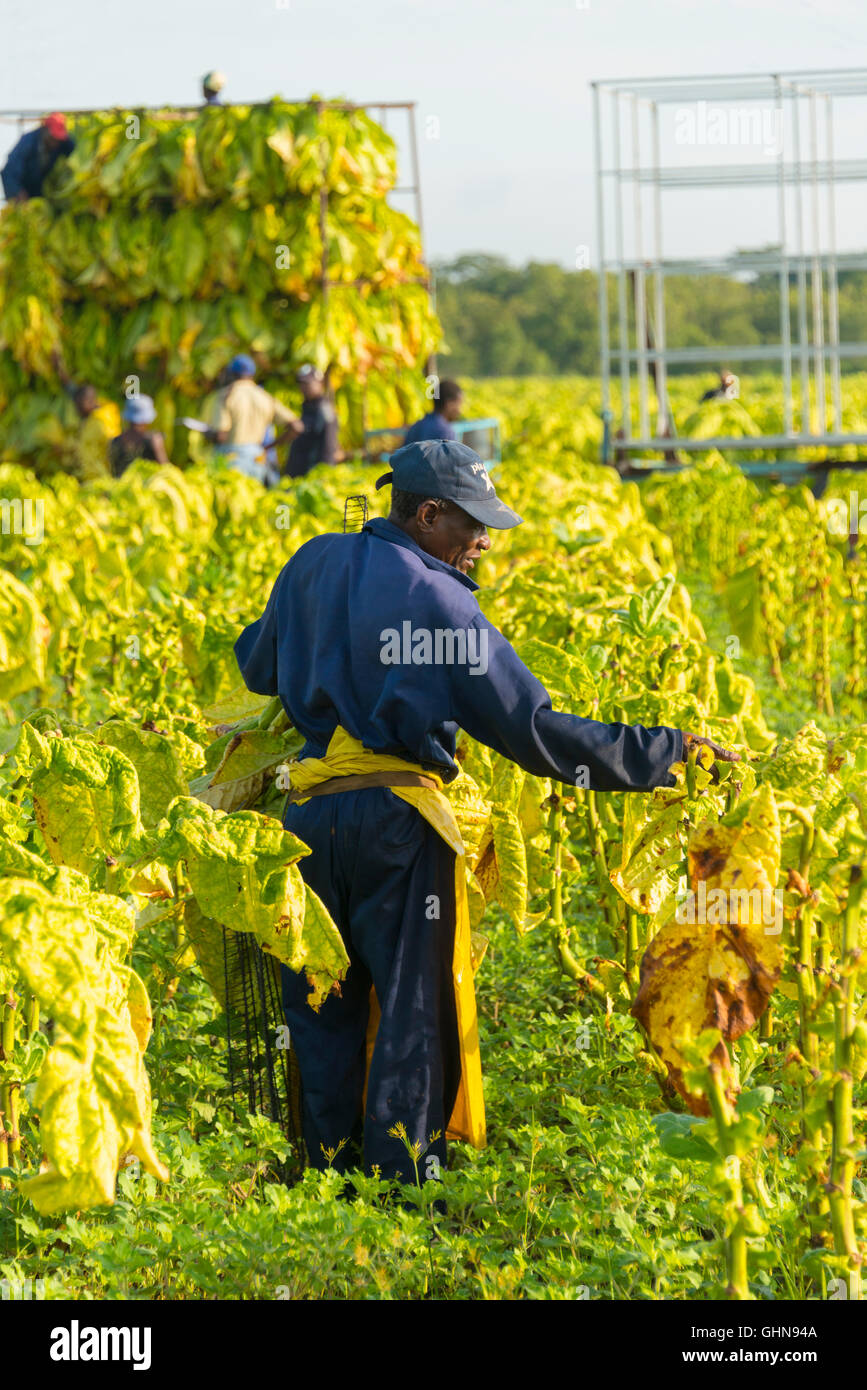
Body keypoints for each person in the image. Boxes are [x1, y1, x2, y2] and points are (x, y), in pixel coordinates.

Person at [234, 438, 738, 1187]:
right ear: (428, 513)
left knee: (320, 1006)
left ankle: (323, 1182)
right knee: (411, 1013)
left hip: (304, 825)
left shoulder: (311, 562)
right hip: (399, 827)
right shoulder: (439, 605)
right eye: (472, 524)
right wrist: (668, 755)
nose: (483, 542)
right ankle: (402, 1191)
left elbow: (256, 663)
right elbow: (535, 733)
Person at [206, 354, 302, 484]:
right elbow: (296, 426)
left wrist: (208, 434)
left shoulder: (226, 395)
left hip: (232, 457)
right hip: (257, 457)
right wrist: (268, 447)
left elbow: (221, 435)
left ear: (232, 374)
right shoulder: (264, 396)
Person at [1, 113, 75, 202]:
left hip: (40, 191)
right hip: (24, 190)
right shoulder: (27, 142)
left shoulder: (61, 142)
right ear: (44, 129)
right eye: (53, 138)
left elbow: (77, 153)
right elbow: (8, 172)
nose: (56, 143)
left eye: (58, 139)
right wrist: (17, 191)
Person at [285, 364, 340, 479]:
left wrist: (324, 475)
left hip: (313, 476)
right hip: (299, 476)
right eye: (301, 384)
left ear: (320, 383)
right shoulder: (308, 407)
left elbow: (329, 445)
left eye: (307, 383)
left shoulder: (324, 410)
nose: (303, 387)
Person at [108, 396, 169, 478]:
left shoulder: (115, 442)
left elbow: (112, 473)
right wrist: (158, 448)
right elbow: (166, 472)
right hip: (147, 489)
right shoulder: (153, 441)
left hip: (119, 489)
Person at [403, 379, 464, 446]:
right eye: (459, 404)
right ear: (449, 404)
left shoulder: (417, 426)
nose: (460, 411)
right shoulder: (445, 432)